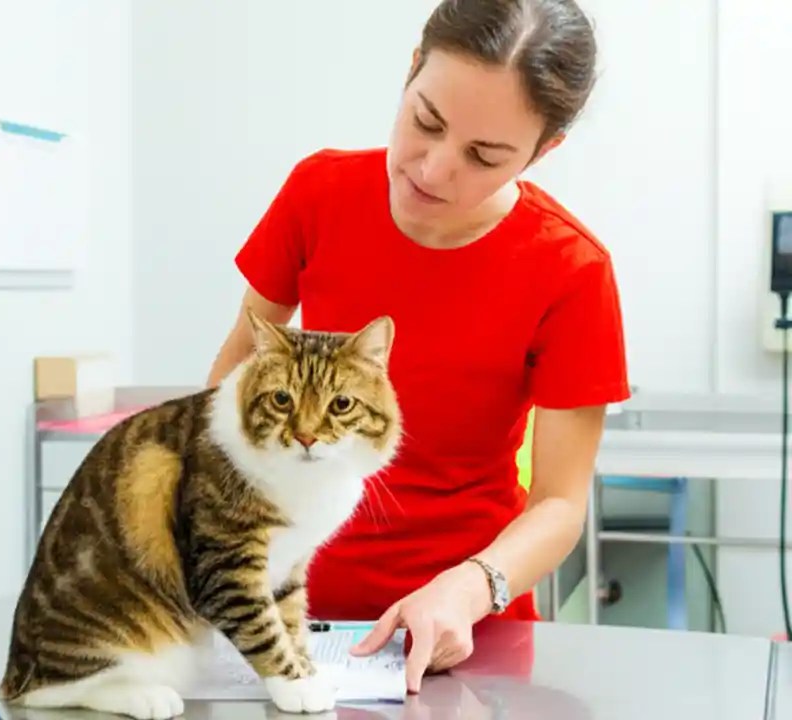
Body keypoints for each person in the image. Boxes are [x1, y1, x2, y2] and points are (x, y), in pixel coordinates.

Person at [205, 0, 628, 694]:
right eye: (425, 121)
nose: (432, 170)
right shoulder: (320, 195)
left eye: (483, 156)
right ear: (410, 71)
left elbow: (559, 504)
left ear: (541, 151)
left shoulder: (571, 270)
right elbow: (232, 382)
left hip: (465, 633)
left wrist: (471, 587)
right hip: (286, 610)